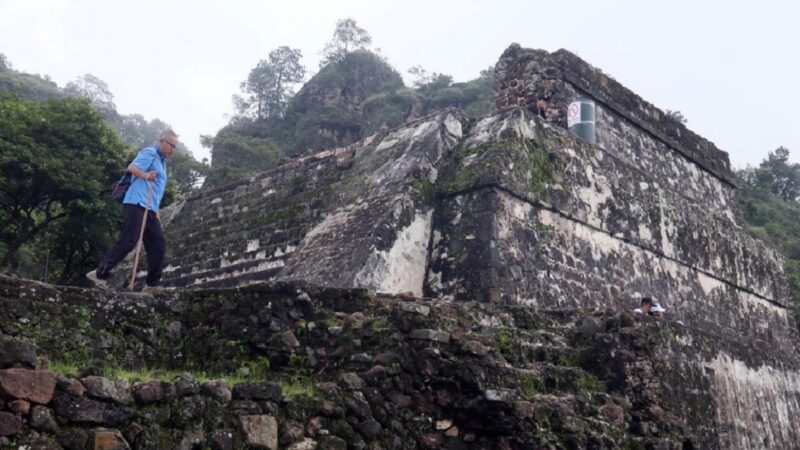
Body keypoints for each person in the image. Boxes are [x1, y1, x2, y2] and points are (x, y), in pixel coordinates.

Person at [87, 129, 178, 291]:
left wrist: (156, 209)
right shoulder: (151, 152)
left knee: (158, 244)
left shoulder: (162, 162)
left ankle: (151, 284)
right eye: (171, 145)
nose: (173, 149)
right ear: (161, 141)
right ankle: (100, 272)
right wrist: (146, 176)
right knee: (129, 239)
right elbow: (132, 168)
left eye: (175, 146)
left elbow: (156, 189)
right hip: (136, 203)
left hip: (150, 208)